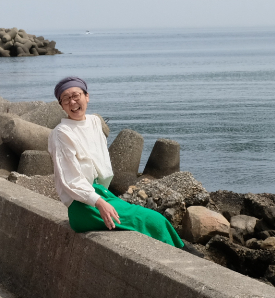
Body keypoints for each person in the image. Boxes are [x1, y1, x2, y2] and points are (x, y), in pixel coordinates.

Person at [46, 76, 184, 248]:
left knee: (149, 219)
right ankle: (183, 251)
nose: (72, 102)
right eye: (66, 99)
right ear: (61, 105)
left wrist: (103, 197)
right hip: (82, 206)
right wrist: (100, 203)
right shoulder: (61, 134)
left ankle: (182, 249)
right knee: (151, 220)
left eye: (76, 96)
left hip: (101, 194)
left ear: (87, 96)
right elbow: (70, 180)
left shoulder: (94, 122)